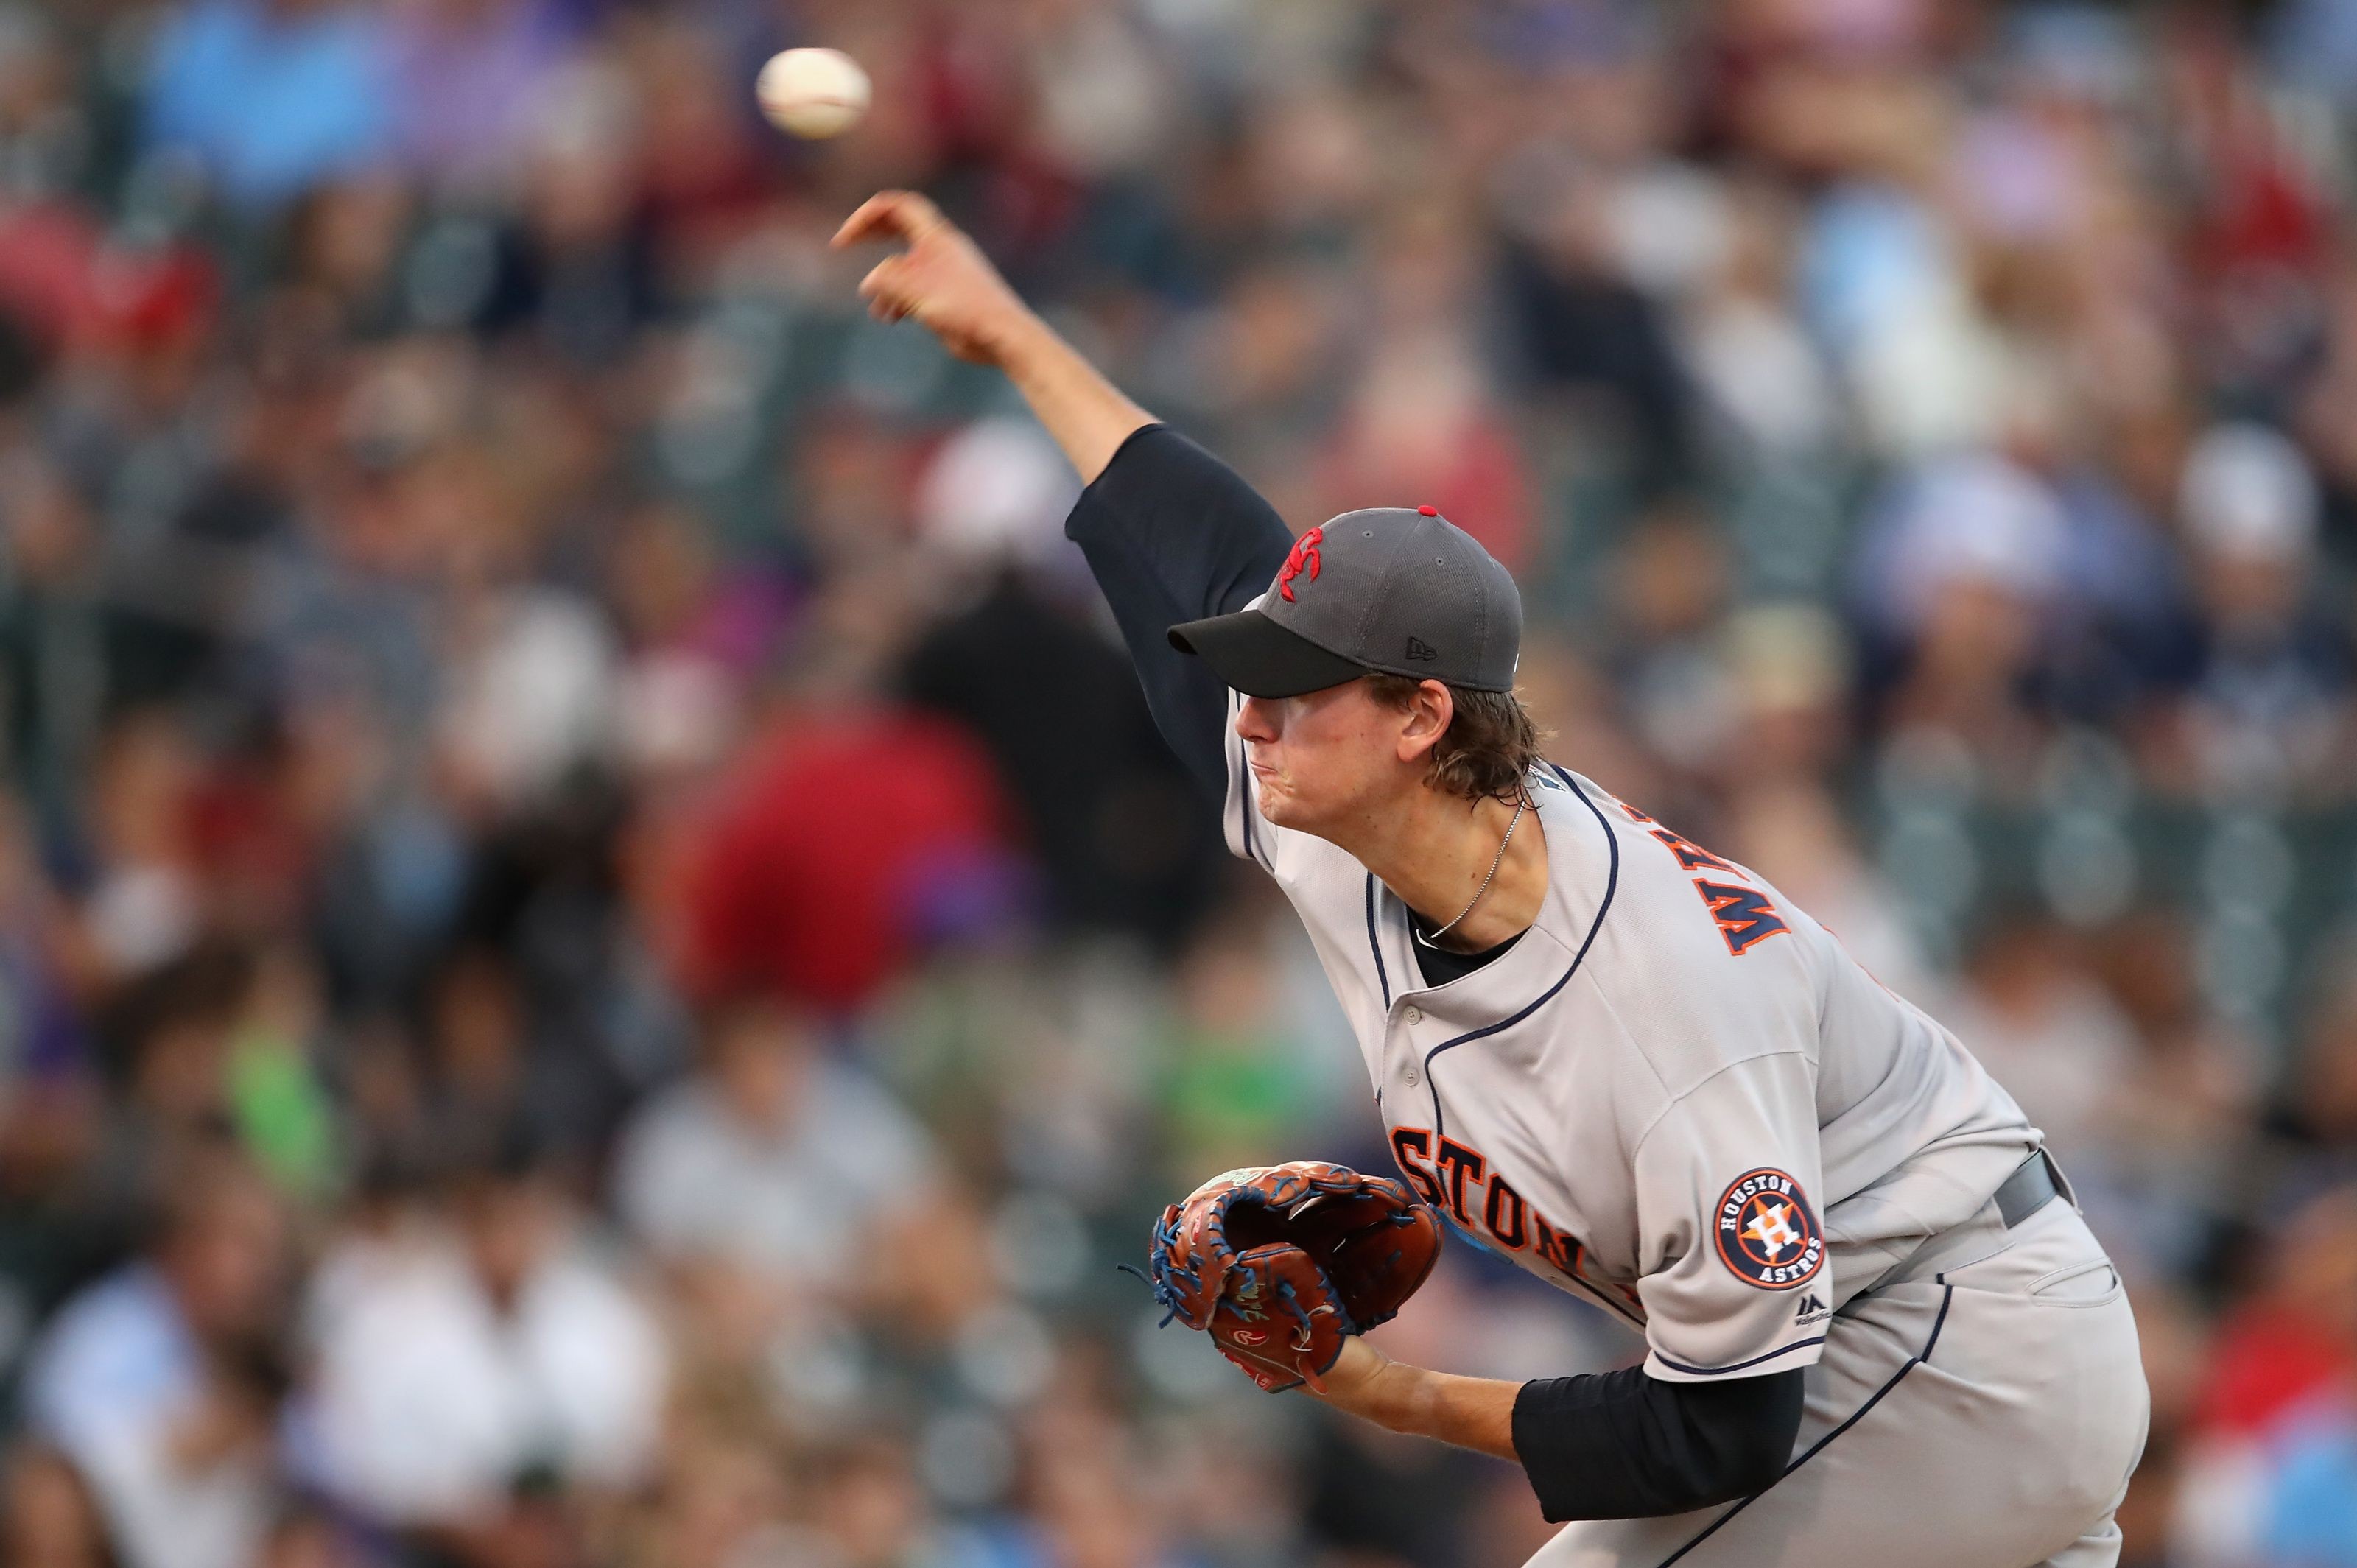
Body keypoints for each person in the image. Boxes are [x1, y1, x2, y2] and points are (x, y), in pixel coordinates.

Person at [832, 190, 2151, 1567]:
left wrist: (1391, 1395)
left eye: (1298, 683)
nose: (1256, 713)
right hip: (1884, 1350)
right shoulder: (1348, 816)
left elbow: (1725, 1431)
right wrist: (1016, 337)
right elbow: (1202, 539)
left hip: (1957, 1348)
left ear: (1419, 717)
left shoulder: (1667, 1000)